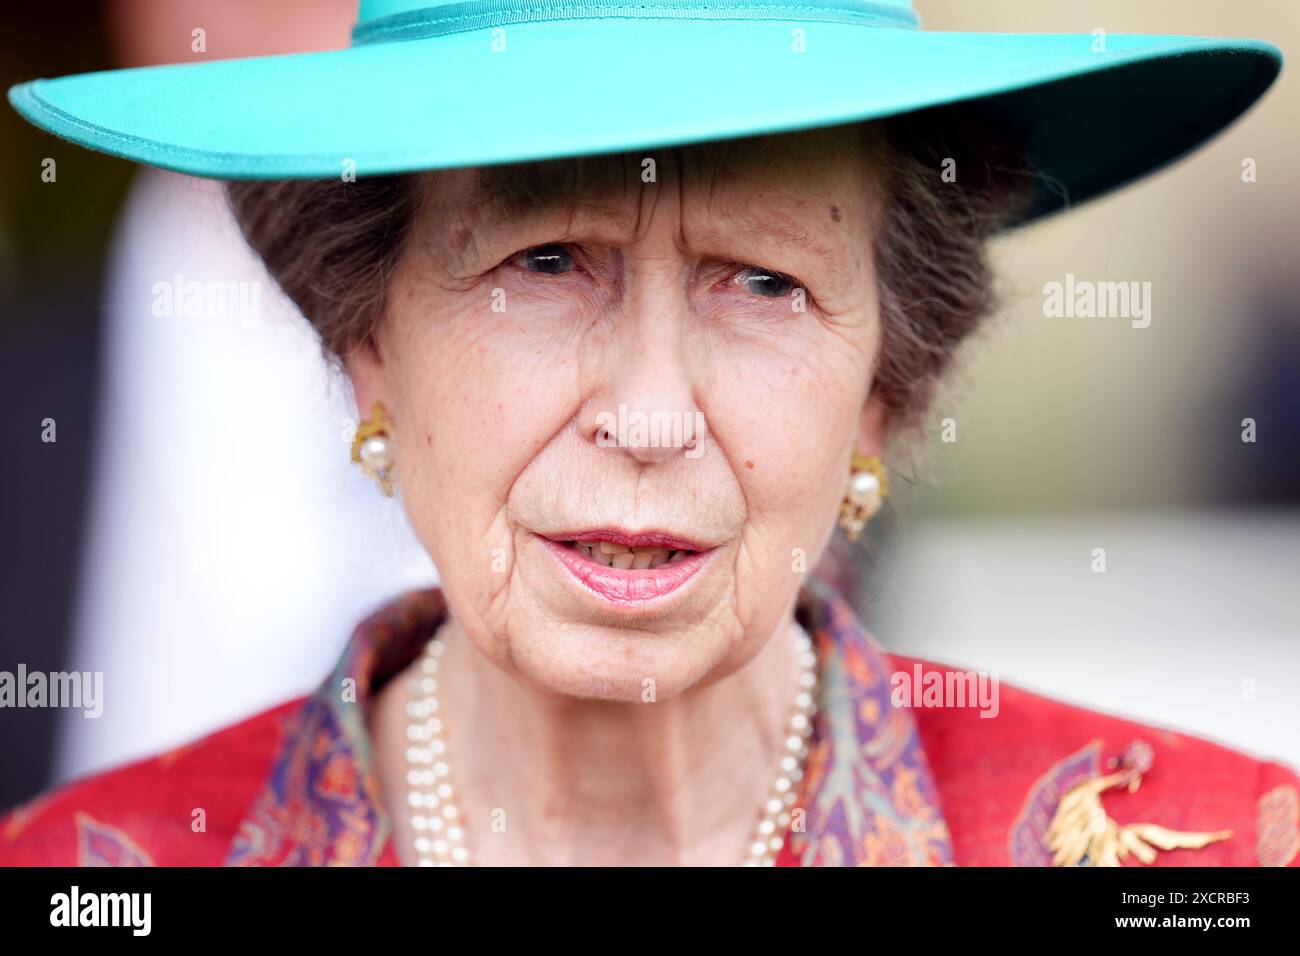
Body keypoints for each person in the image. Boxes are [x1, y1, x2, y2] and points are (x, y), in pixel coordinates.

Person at [2, 0, 1296, 866]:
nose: (650, 416)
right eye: (547, 261)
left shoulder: (1214, 852)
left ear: (885, 387)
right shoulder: (89, 867)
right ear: (370, 344)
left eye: (765, 282)